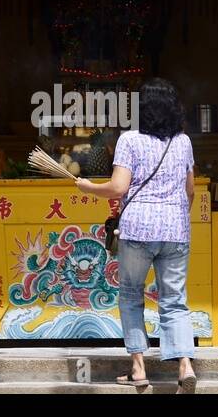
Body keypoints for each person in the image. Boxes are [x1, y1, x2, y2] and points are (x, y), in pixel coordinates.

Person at [76, 78, 198, 393]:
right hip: (175, 230)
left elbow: (118, 188)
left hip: (138, 229)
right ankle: (184, 364)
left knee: (131, 295)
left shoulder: (129, 140)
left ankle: (138, 367)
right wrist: (174, 216)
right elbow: (190, 191)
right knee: (174, 300)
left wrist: (88, 187)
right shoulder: (182, 142)